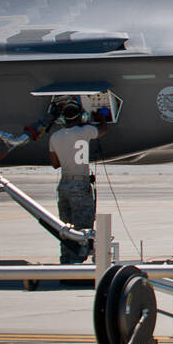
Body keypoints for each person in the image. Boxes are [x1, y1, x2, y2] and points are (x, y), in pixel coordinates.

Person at [48, 100, 108, 264]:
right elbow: (102, 130)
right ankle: (78, 263)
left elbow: (55, 164)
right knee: (82, 228)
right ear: (80, 116)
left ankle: (66, 262)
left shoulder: (55, 136)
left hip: (64, 184)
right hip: (80, 185)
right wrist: (102, 117)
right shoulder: (85, 131)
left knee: (66, 228)